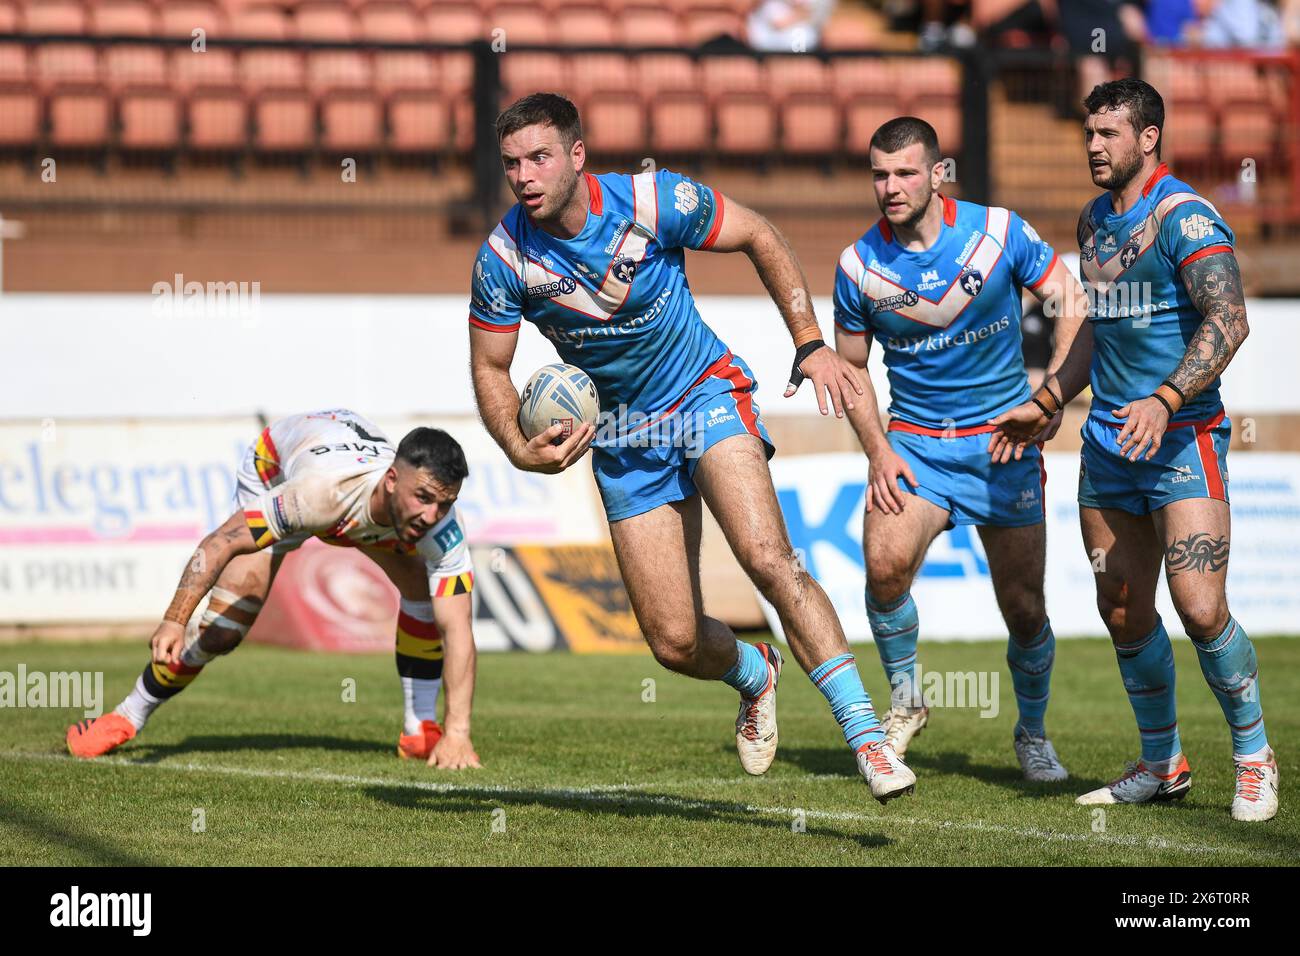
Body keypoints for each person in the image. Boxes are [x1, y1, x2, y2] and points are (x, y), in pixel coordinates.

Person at [468, 92, 916, 802]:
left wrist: (809, 342)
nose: (524, 176)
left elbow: (760, 235)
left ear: (577, 155)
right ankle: (755, 673)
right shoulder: (503, 259)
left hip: (704, 396)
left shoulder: (651, 201)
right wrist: (520, 450)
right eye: (511, 163)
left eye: (540, 158)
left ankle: (868, 741)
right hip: (622, 437)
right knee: (673, 642)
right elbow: (492, 369)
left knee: (769, 560)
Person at [990, 78, 1279, 821]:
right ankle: (1162, 763)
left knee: (1200, 606)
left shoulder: (1185, 216)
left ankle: (1253, 757)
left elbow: (1229, 319)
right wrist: (1050, 399)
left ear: (1148, 138)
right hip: (1108, 446)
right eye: (1088, 133)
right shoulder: (1094, 221)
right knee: (1120, 607)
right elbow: (1097, 327)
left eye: (1108, 133)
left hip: (1182, 438)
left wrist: (1166, 398)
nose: (1093, 145)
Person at [833, 116, 1089, 781]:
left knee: (1024, 608)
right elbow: (851, 369)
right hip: (916, 444)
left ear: (938, 174)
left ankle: (1033, 734)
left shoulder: (998, 232)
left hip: (1002, 444)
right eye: (880, 175)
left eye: (905, 173)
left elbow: (1070, 299)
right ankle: (907, 702)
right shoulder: (857, 266)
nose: (891, 187)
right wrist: (877, 449)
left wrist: (1050, 398)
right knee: (883, 567)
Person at [66, 410, 483, 769]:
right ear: (392, 480)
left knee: (424, 589)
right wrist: (175, 620)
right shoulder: (318, 494)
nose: (432, 515)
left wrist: (458, 732)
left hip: (356, 493)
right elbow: (221, 542)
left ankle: (420, 729)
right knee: (224, 631)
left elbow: (458, 630)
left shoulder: (441, 526)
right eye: (423, 498)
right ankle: (128, 714)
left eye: (444, 504)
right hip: (275, 471)